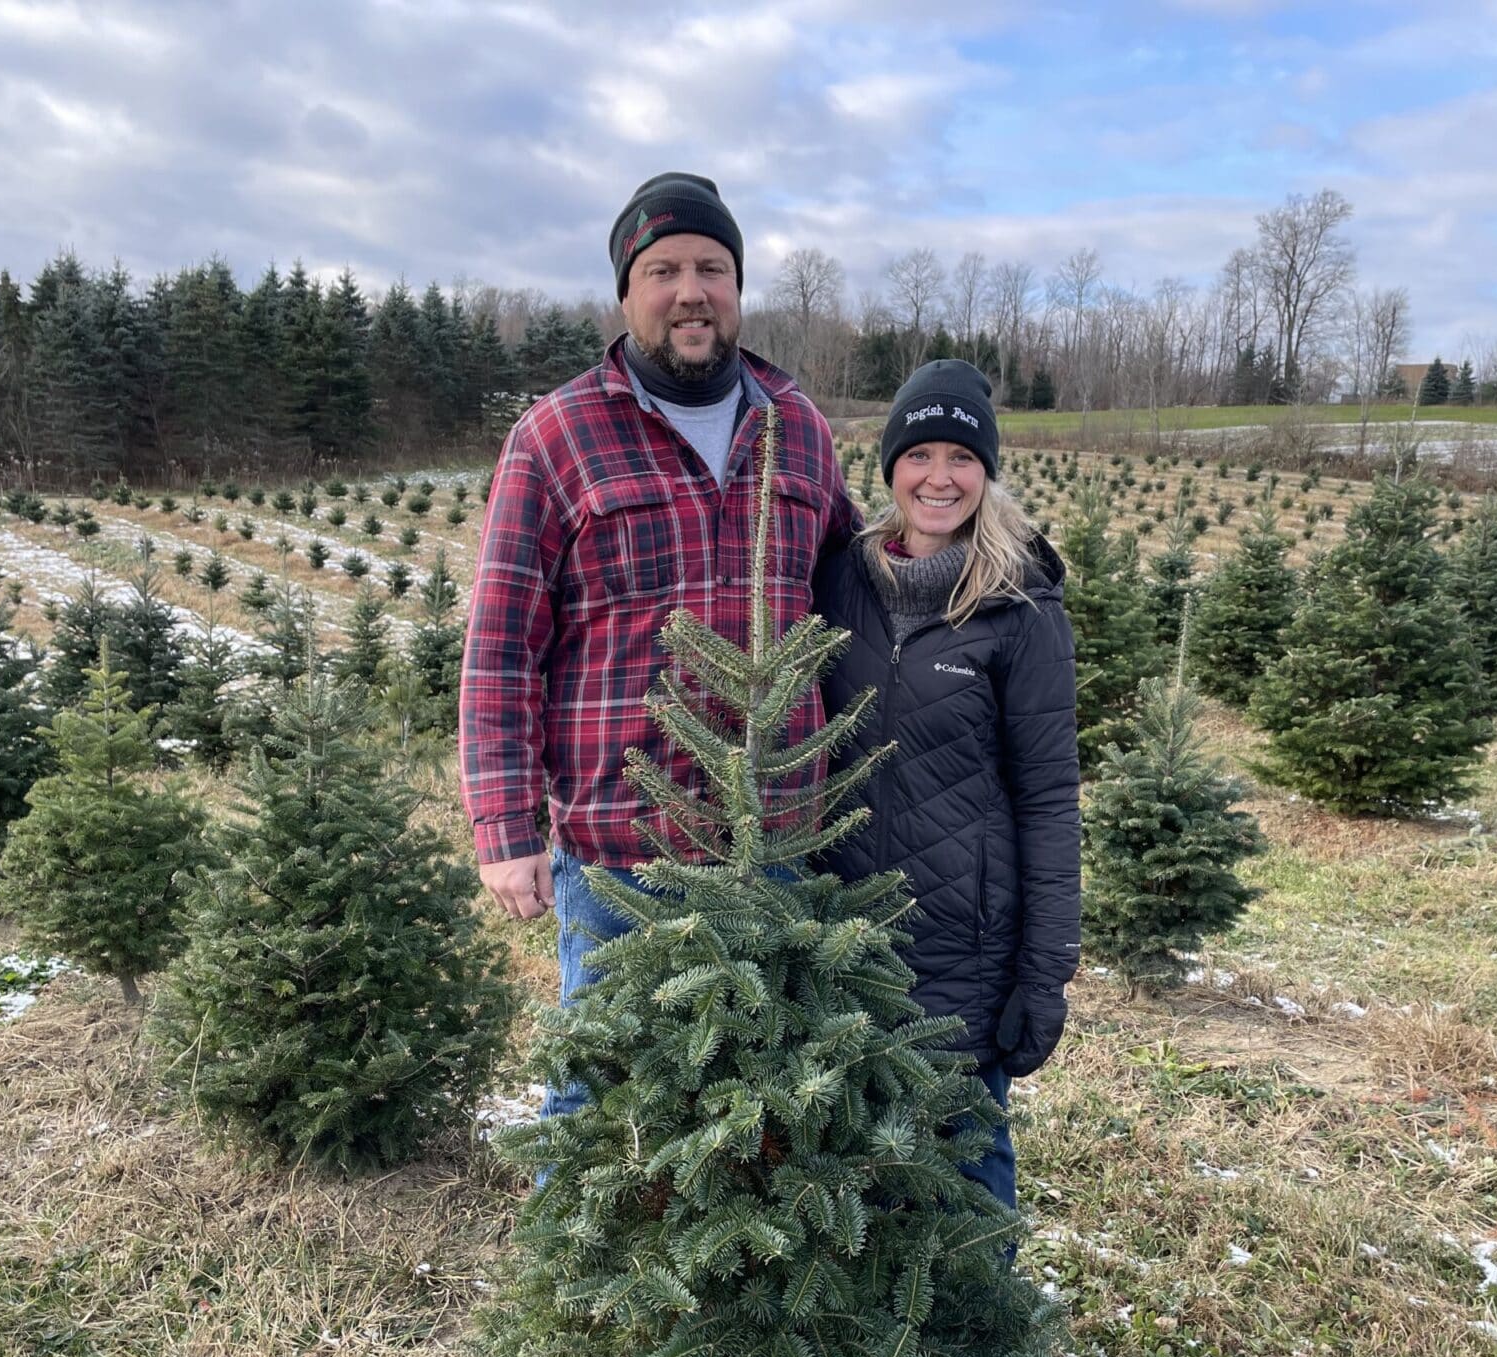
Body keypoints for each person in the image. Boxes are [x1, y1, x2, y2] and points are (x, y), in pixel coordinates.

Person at [459, 171, 862, 1119]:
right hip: (621, 850)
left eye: (713, 269)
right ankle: (575, 1271)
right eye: (666, 269)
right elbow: (501, 644)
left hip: (778, 834)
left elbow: (850, 595)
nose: (692, 291)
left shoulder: (795, 426)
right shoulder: (555, 436)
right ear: (627, 292)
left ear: (738, 288)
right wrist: (506, 829)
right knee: (604, 1100)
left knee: (771, 1102)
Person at [813, 359, 1081, 1210]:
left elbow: (1047, 802)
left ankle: (978, 1340)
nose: (939, 477)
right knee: (852, 1168)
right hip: (838, 932)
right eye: (919, 453)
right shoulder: (840, 580)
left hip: (960, 947)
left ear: (987, 471)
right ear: (890, 467)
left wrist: (1045, 976)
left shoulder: (1021, 607)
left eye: (961, 457)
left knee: (965, 1168)